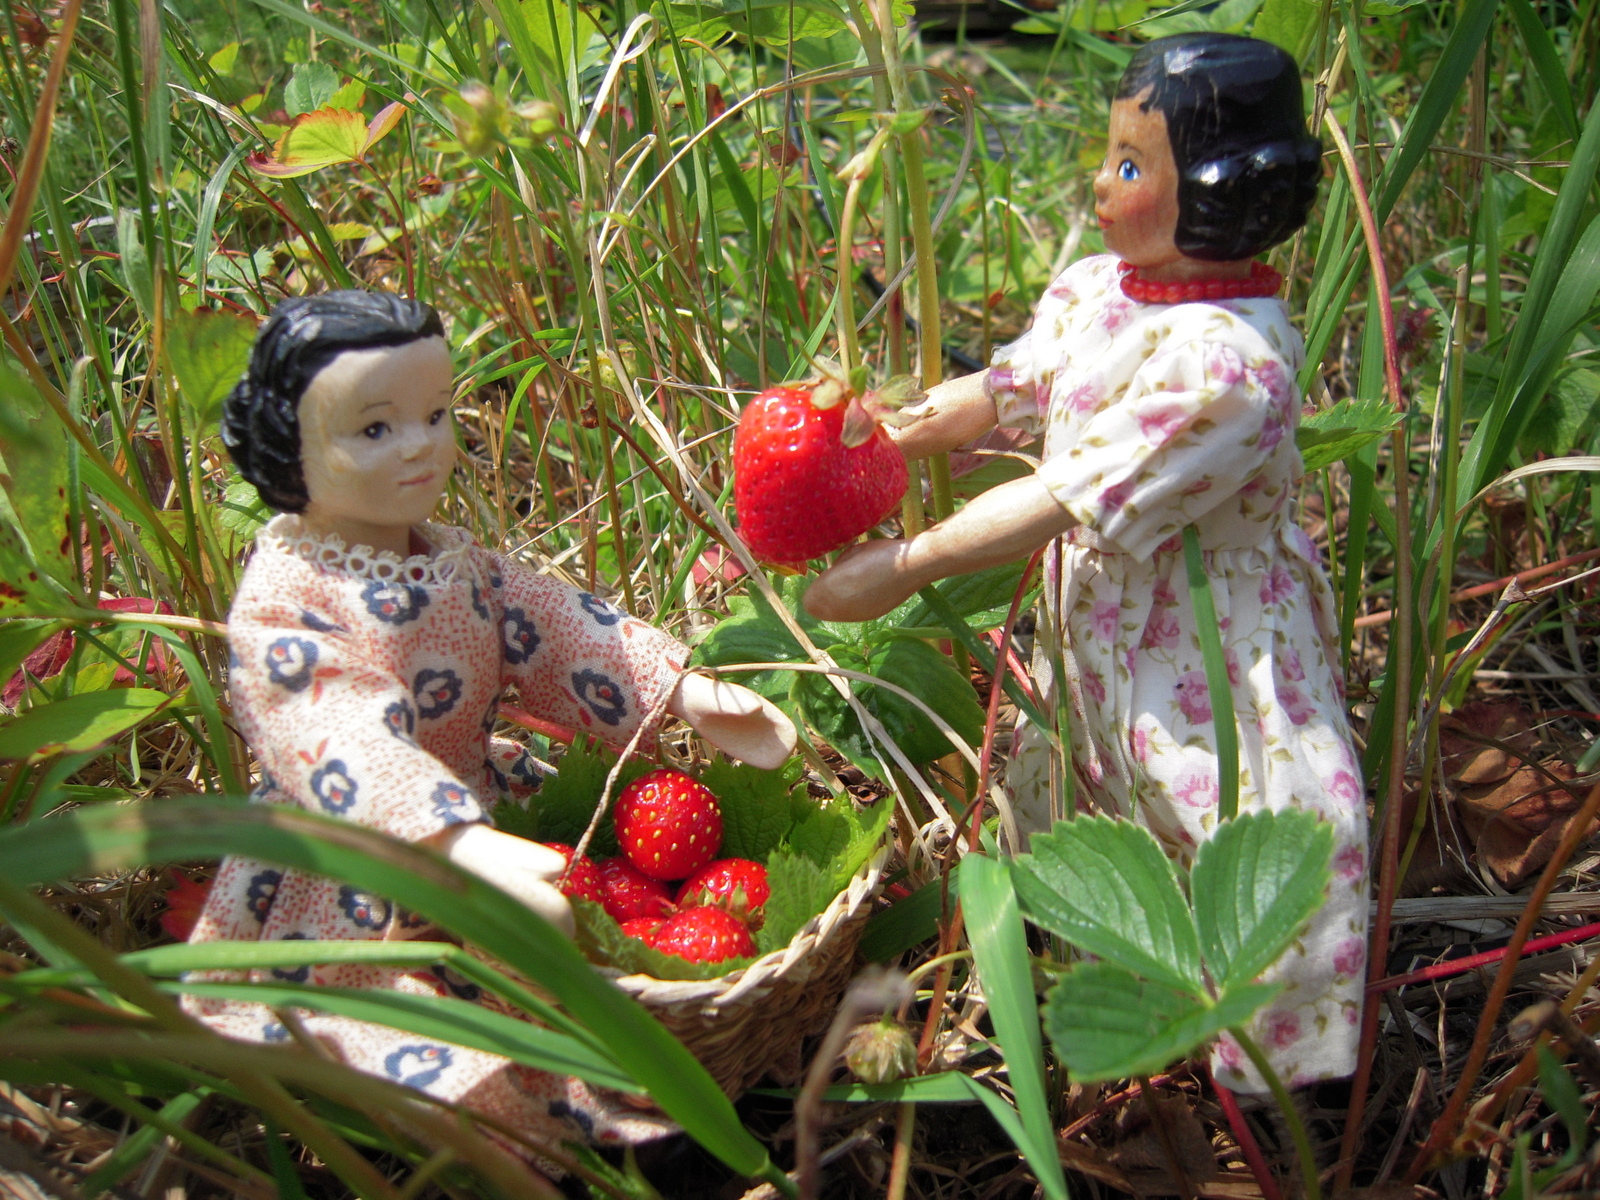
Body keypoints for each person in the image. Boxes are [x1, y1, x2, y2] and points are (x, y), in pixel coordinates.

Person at [805, 33, 1367, 1092]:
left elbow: (1061, 494)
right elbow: (1016, 389)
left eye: (1129, 167)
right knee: (1085, 772)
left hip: (1211, 634)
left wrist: (908, 563)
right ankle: (1114, 969)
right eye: (1111, 158)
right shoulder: (1101, 291)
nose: (1101, 189)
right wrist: (892, 433)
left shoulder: (1227, 368)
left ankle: (1271, 1058)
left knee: (1239, 809)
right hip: (1100, 610)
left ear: (1220, 195)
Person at [189, 290, 795, 1154]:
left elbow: (546, 621)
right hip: (367, 854)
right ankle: (509, 1130)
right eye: (373, 429)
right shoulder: (287, 601)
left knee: (568, 931)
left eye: (434, 415)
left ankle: (604, 1055)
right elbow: (333, 726)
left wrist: (678, 688)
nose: (422, 447)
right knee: (424, 1012)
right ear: (289, 442)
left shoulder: (447, 555)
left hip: (486, 801)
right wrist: (452, 844)